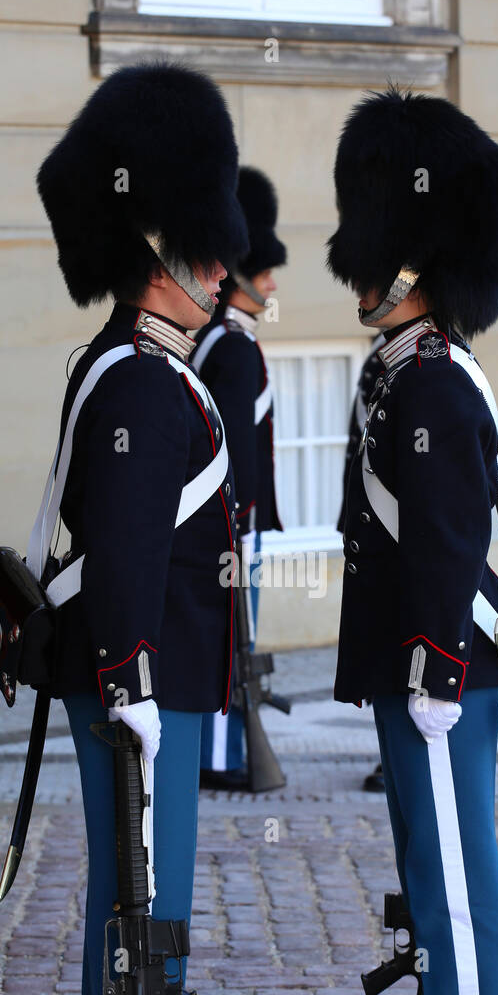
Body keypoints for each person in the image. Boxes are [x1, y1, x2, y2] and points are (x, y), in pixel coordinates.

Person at [35, 60, 248, 995]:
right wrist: (131, 689)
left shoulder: (142, 369)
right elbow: (121, 556)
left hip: (145, 679)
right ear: (155, 254)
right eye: (202, 248)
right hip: (136, 684)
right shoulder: (132, 381)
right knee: (139, 889)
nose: (221, 269)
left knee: (145, 885)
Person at [329, 87, 498, 995]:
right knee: (431, 876)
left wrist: (435, 676)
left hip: (439, 669)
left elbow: (446, 545)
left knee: (453, 885)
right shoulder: (402, 371)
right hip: (416, 664)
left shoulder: (434, 385)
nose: (359, 270)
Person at [190, 167, 286, 790]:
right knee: (232, 643)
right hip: (233, 522)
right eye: (264, 270)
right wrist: (242, 521)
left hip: (231, 520)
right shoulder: (233, 348)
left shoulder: (222, 339)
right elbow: (233, 450)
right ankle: (221, 757)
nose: (272, 281)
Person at [336, 335, 386, 792]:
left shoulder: (399, 353)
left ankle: (388, 753)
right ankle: (386, 750)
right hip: (370, 521)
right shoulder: (384, 352)